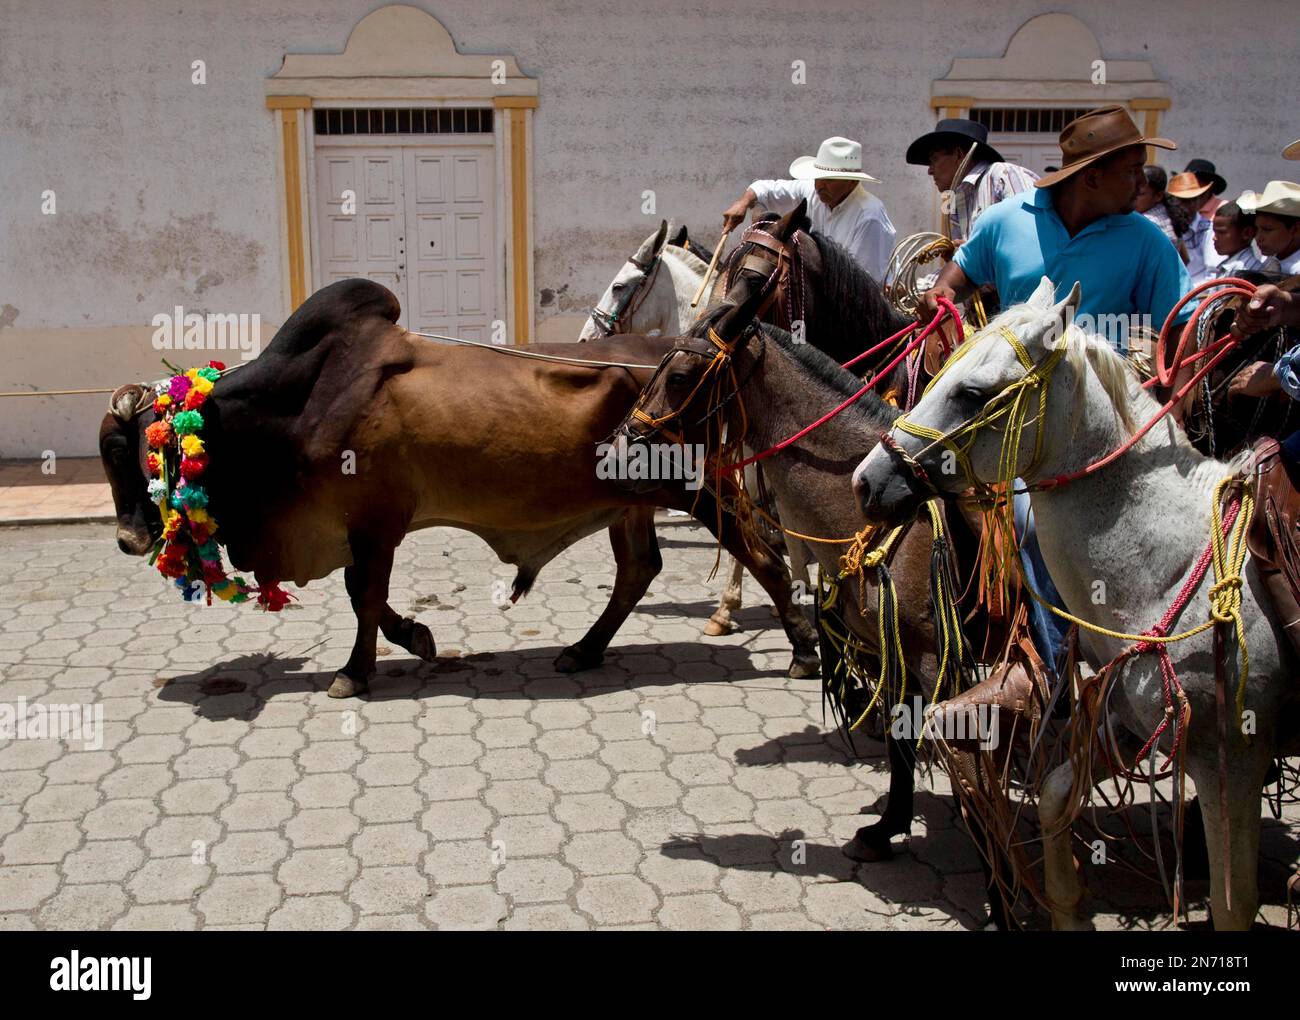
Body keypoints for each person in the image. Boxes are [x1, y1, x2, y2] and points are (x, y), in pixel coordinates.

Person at [919, 105, 1193, 681]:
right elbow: (955, 280)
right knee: (991, 513)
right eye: (1131, 171)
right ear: (1091, 176)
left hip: (1103, 428)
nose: (1142, 184)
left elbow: (1175, 337)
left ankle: (1081, 669)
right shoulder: (1004, 221)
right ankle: (1049, 666)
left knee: (1043, 528)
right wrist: (942, 310)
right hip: (1011, 416)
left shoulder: (1146, 243)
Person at [721, 136, 895, 280]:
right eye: (817, 177)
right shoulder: (812, 190)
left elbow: (863, 282)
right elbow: (766, 189)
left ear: (851, 182)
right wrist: (743, 203)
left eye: (830, 180)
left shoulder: (869, 217)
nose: (819, 185)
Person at [904, 118, 1038, 242]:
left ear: (958, 154)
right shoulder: (957, 201)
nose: (930, 170)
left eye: (934, 159)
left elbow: (1033, 237)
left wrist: (975, 254)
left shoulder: (1003, 175)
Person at [1167, 172, 1220, 282]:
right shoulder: (1165, 226)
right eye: (1183, 201)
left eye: (1194, 200)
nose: (1189, 206)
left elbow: (1212, 271)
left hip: (1196, 292)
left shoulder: (1207, 230)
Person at [1248, 181, 1300, 275]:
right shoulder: (1271, 261)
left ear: (1296, 229)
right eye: (1257, 229)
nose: (1258, 238)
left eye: (1267, 230)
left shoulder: (1296, 270)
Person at [1137, 165, 1191, 250]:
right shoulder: (1170, 214)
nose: (1132, 196)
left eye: (1140, 194)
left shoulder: (1147, 223)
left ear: (1158, 196)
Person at [1211, 201, 1265, 276]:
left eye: (1221, 232)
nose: (1214, 238)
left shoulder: (1246, 271)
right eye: (1214, 232)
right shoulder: (1229, 266)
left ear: (1247, 233)